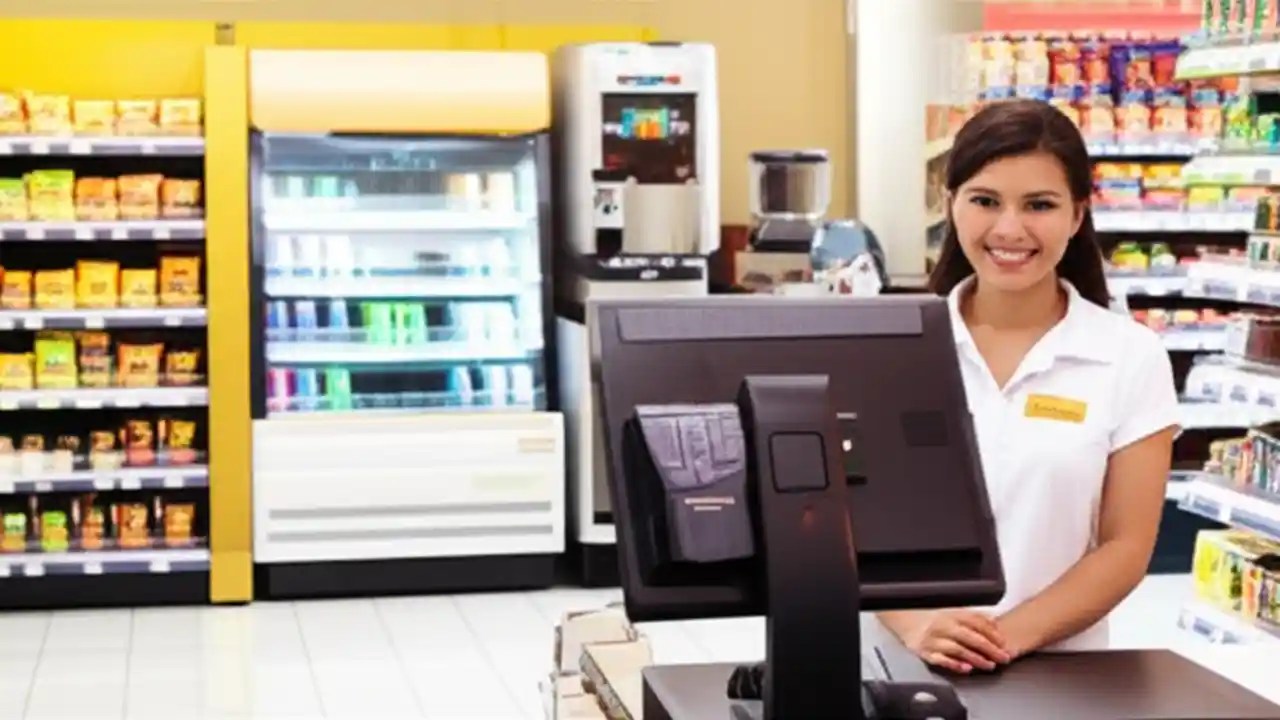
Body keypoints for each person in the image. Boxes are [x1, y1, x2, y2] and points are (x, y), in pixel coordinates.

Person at [878, 99, 1179, 673]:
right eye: (985, 201)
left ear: (1077, 214)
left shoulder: (1129, 357)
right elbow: (853, 521)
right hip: (901, 668)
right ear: (951, 205)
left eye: (1039, 205)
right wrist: (921, 625)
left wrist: (1002, 638)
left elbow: (1124, 547)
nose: (1009, 229)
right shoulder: (894, 348)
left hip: (1060, 675)